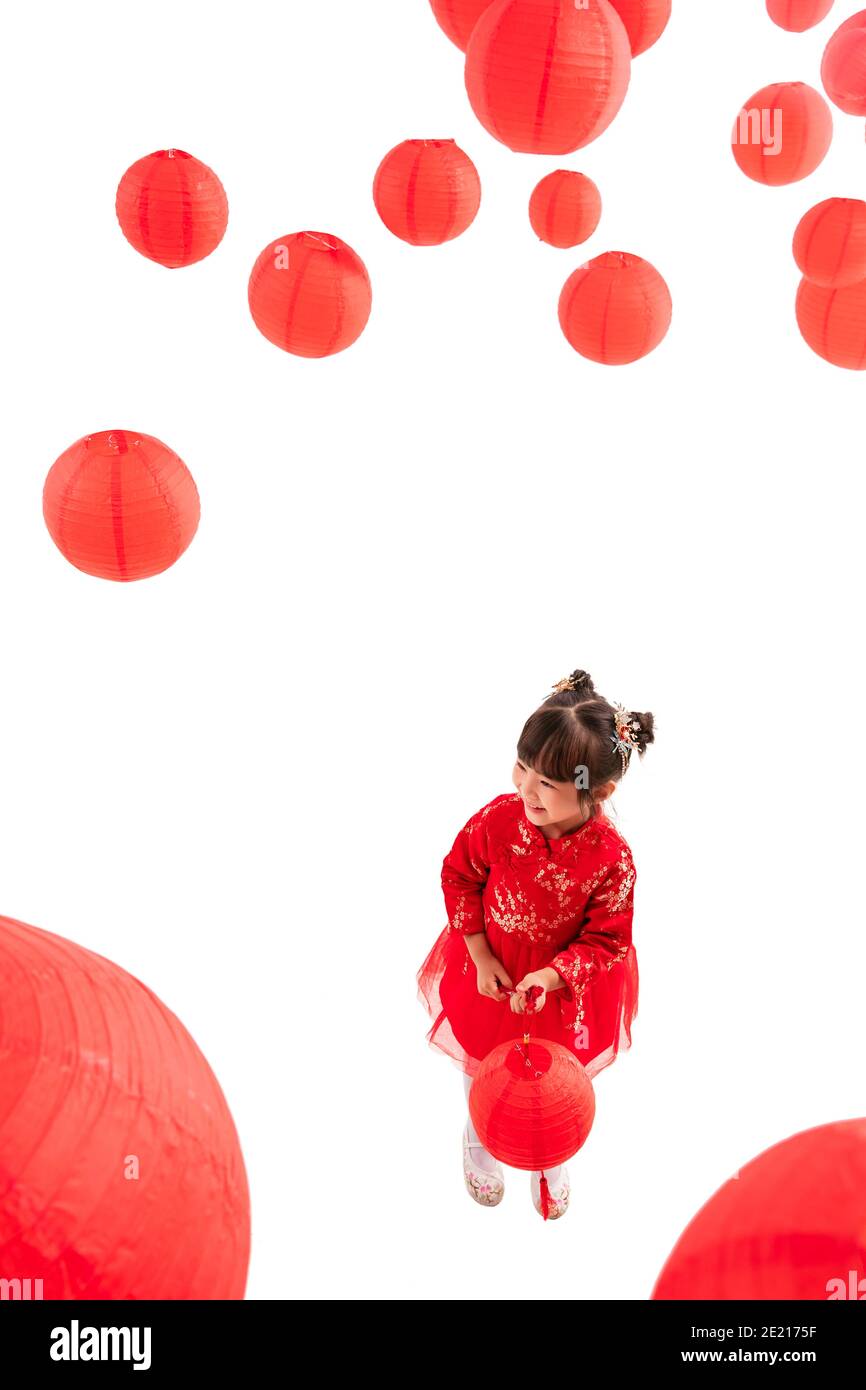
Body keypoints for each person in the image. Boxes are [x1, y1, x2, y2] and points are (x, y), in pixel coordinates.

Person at [416, 669, 654, 1218]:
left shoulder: (611, 859)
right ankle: (482, 1130)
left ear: (599, 790)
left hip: (562, 987)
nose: (526, 789)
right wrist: (478, 954)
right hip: (493, 968)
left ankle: (549, 1145)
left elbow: (607, 939)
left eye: (546, 782)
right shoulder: (500, 820)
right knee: (483, 1059)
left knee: (554, 1067)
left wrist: (552, 977)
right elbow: (459, 875)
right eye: (522, 767)